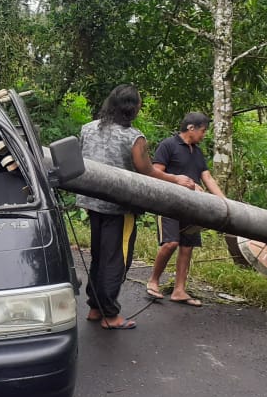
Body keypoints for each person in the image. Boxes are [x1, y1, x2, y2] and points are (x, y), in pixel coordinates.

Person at [77, 85, 196, 330]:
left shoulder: (88, 129)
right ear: (132, 108)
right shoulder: (134, 137)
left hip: (92, 202)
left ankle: (95, 307)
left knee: (99, 257)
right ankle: (111, 315)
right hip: (119, 208)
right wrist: (176, 179)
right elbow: (147, 171)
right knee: (117, 260)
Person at [146, 112, 225, 306]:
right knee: (170, 243)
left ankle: (179, 290)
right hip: (169, 204)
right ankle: (153, 281)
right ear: (191, 128)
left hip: (192, 207)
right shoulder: (168, 145)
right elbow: (155, 172)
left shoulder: (197, 152)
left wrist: (224, 201)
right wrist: (179, 182)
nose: (204, 135)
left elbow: (207, 177)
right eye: (203, 131)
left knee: (187, 246)